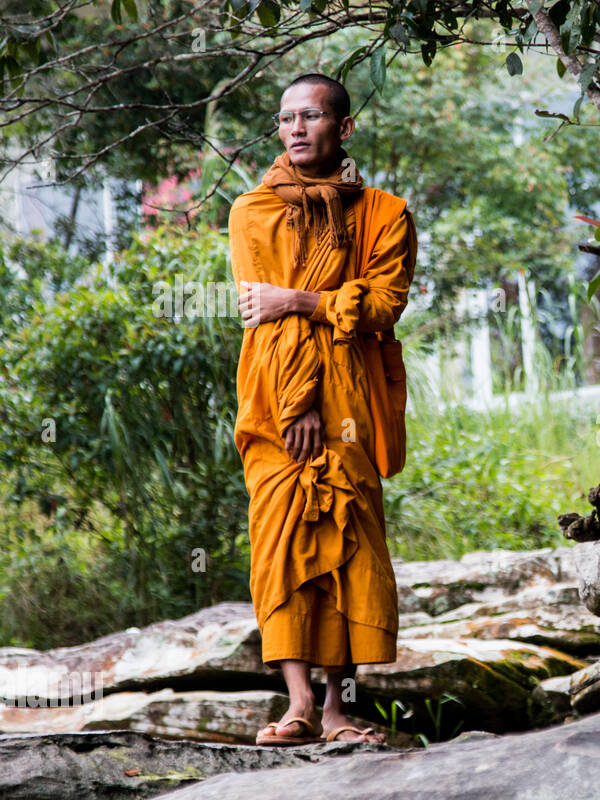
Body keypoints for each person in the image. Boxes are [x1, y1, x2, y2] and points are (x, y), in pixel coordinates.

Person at [228, 72, 417, 745]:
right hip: (277, 403)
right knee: (278, 548)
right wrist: (297, 404)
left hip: (351, 400)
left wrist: (304, 299)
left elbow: (384, 305)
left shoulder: (385, 214)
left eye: (311, 116)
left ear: (344, 127)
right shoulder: (253, 211)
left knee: (347, 547)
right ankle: (297, 704)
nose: (296, 129)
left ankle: (338, 708)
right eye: (285, 120)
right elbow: (261, 313)